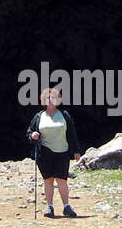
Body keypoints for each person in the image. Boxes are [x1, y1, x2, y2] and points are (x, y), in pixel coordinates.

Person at [26, 87, 82, 218]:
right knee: (48, 180)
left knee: (62, 180)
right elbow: (29, 132)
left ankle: (66, 207)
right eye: (48, 97)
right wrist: (33, 135)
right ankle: (50, 207)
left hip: (62, 152)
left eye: (53, 97)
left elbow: (71, 134)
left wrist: (76, 150)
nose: (51, 100)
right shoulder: (39, 116)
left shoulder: (64, 115)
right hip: (44, 153)